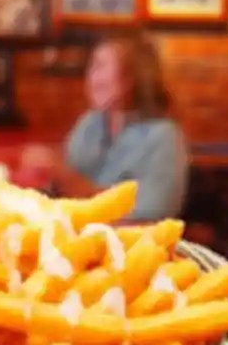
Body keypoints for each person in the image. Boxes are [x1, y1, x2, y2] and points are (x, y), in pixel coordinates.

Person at [19, 32, 188, 222]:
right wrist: (47, 174)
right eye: (91, 67)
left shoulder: (163, 137)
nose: (91, 79)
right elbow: (63, 194)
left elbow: (150, 217)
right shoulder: (90, 123)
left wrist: (67, 178)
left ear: (132, 77)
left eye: (100, 66)